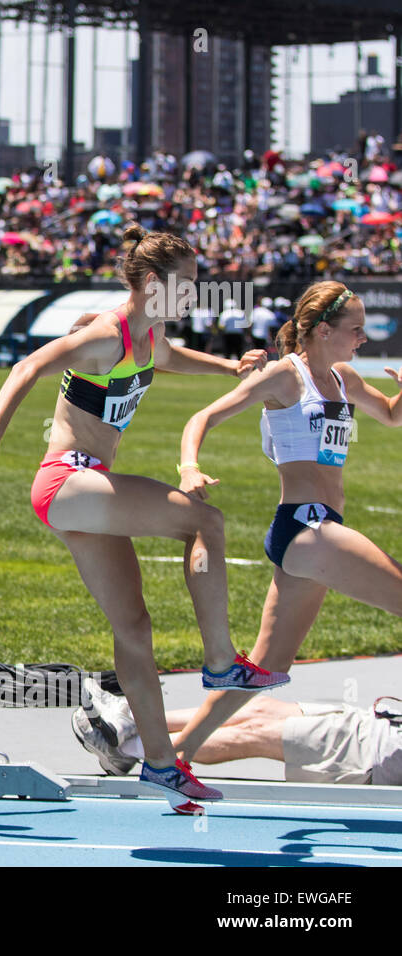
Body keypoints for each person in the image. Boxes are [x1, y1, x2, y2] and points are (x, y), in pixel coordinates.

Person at [0, 224, 288, 813]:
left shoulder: (147, 335)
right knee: (205, 524)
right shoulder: (104, 335)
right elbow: (25, 367)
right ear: (148, 283)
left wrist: (229, 367)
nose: (193, 295)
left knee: (135, 630)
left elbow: (168, 358)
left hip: (81, 496)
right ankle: (221, 664)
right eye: (185, 285)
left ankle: (161, 765)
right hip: (66, 478)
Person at [167, 281, 402, 766]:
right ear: (320, 330)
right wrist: (188, 466)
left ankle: (169, 757)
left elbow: (392, 416)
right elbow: (203, 417)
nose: (363, 339)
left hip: (319, 532)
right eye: (354, 330)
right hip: (307, 528)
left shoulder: (343, 379)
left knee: (267, 669)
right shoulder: (284, 378)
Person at [74, 678, 402, 787]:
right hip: (379, 724)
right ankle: (129, 720)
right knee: (262, 709)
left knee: (255, 733)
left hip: (373, 753)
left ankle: (131, 750)